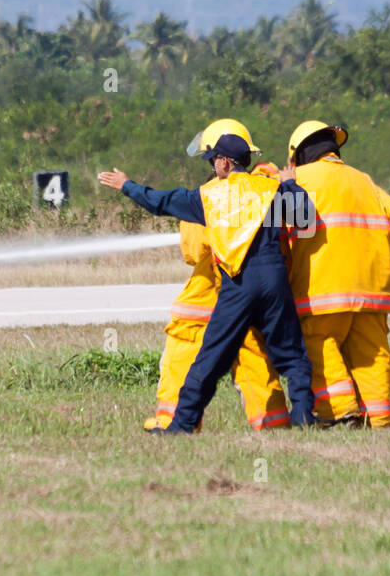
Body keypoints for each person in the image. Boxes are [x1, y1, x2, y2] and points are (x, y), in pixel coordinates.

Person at [99, 121, 316, 434]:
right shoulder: (271, 188)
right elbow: (304, 218)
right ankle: (304, 418)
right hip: (274, 280)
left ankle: (182, 426)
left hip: (237, 285)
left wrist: (126, 185)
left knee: (209, 361)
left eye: (213, 159)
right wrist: (290, 183)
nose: (213, 165)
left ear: (225, 162)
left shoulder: (207, 196)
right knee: (292, 355)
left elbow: (159, 202)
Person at [151, 160, 291, 433]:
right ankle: (273, 424)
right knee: (254, 361)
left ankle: (171, 421)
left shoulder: (209, 196)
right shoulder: (265, 192)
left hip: (203, 306)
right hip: (252, 298)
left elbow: (193, 253)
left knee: (185, 362)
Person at [285, 120, 390, 428]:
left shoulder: (297, 180)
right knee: (371, 353)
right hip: (374, 288)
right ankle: (379, 418)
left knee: (318, 344)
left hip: (324, 288)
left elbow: (278, 230)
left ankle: (340, 410)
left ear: (297, 155)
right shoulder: (363, 179)